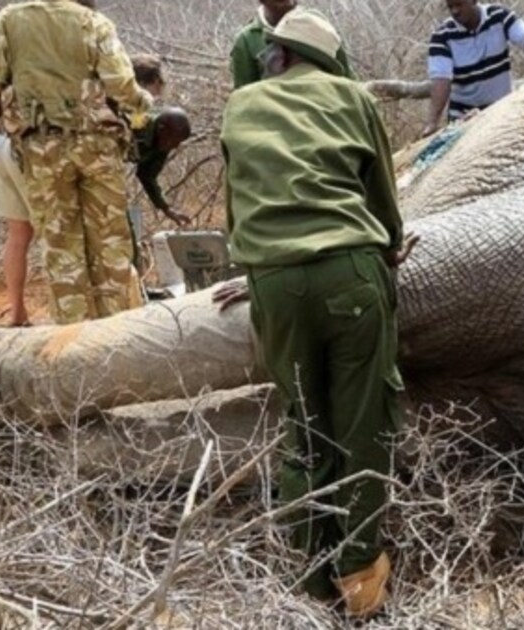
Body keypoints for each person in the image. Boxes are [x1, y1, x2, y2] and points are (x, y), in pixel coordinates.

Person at [214, 8, 418, 617]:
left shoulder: (240, 105)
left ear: (275, 55)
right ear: (328, 61)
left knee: (303, 428)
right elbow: (382, 197)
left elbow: (238, 206)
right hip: (350, 273)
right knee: (364, 424)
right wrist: (387, 249)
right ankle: (360, 579)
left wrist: (260, 268)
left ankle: (309, 583)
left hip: (272, 284)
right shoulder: (352, 97)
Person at [0, 0, 152, 324]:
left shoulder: (8, 22)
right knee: (111, 244)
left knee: (61, 249)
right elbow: (121, 83)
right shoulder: (93, 22)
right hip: (97, 146)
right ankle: (123, 336)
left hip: (42, 149)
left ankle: (76, 345)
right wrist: (141, 105)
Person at [422, 0, 524, 137]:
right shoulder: (441, 36)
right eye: (450, 6)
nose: (455, 11)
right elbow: (441, 80)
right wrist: (432, 122)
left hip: (502, 110)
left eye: (459, 4)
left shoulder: (499, 16)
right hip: (465, 117)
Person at [0, 89, 33, 327]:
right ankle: (68, 314)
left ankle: (18, 313)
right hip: (26, 144)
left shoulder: (2, 56)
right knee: (54, 230)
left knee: (18, 233)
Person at [229, 0, 356, 89]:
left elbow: (346, 78)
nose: (288, 2)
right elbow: (245, 95)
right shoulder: (248, 39)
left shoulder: (318, 25)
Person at [128, 54, 192, 226]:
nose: (172, 146)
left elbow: (146, 175)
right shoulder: (137, 120)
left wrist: (165, 208)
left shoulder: (162, 142)